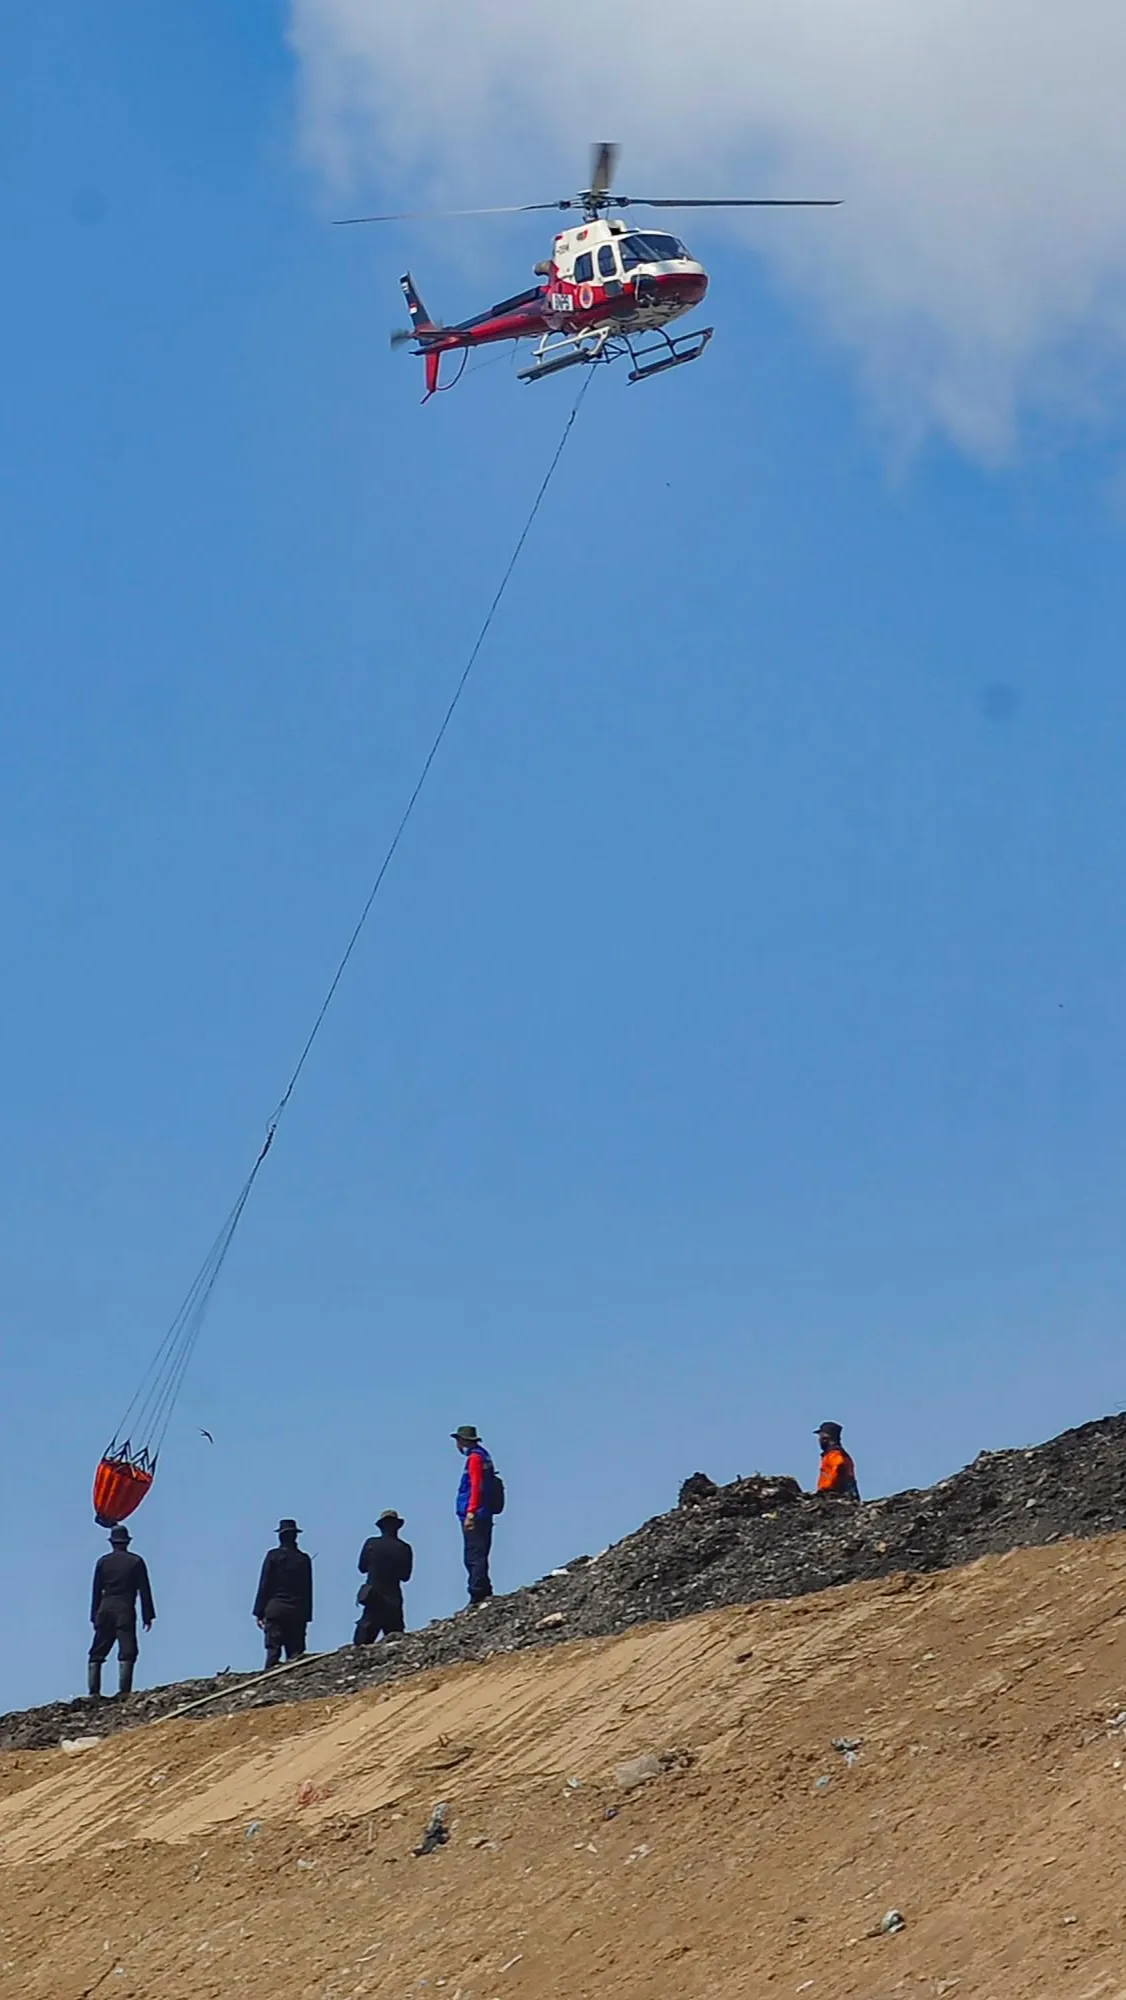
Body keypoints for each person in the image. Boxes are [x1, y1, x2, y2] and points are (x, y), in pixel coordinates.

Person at [88, 1524, 155, 1698]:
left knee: (98, 1650)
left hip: (105, 1608)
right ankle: (124, 1691)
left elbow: (96, 1591)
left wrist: (94, 1615)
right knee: (128, 1650)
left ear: (112, 1543)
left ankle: (94, 1692)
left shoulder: (103, 1562)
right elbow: (144, 1590)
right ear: (127, 1543)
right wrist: (148, 1616)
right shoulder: (136, 1561)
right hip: (125, 1609)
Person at [253, 1518, 313, 1669]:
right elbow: (308, 1589)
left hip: (276, 1610)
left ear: (280, 1536)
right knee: (296, 1656)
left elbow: (265, 1584)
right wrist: (307, 1616)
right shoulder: (303, 1559)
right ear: (295, 1536)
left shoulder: (273, 1556)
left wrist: (258, 1612)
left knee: (273, 1653)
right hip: (297, 1612)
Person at [353, 1509, 414, 1645]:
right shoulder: (404, 1548)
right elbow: (405, 1576)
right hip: (393, 1600)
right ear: (397, 1527)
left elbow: (362, 1568)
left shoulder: (371, 1544)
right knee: (396, 1641)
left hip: (373, 1597)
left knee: (362, 1644)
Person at [453, 1424, 497, 1605]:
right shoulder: (483, 1455)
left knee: (473, 1555)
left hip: (476, 1513)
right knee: (480, 1553)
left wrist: (471, 1512)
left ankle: (478, 1593)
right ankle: (483, 1589)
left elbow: (475, 1485)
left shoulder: (475, 1459)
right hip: (484, 1511)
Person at [816, 1421, 860, 1501]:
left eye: (820, 1437)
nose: (819, 1441)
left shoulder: (834, 1454)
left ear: (825, 1438)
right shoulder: (840, 1454)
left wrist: (828, 1488)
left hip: (836, 1496)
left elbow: (839, 1464)